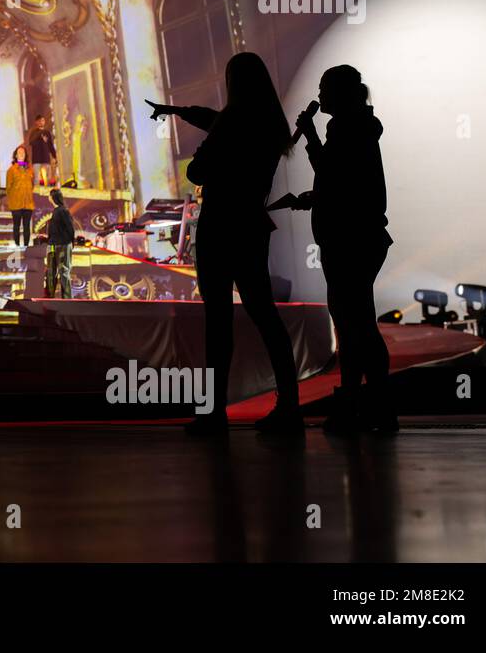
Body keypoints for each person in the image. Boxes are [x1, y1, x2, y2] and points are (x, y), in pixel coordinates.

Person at [146, 51, 302, 435]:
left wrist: (204, 145)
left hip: (219, 226)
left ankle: (214, 412)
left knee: (218, 321)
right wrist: (179, 110)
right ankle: (290, 404)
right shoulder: (269, 124)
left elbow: (197, 170)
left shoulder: (232, 122)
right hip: (251, 224)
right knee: (265, 314)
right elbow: (213, 119)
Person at [292, 65, 395, 433]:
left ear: (340, 92)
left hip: (349, 239)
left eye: (324, 88)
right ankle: (362, 404)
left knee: (356, 324)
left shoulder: (345, 127)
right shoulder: (360, 126)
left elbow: (330, 169)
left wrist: (308, 134)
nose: (319, 95)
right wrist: (316, 197)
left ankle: (370, 405)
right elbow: (345, 183)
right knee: (356, 322)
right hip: (360, 236)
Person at [44, 188, 77, 298]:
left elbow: (70, 228)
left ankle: (66, 298)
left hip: (62, 245)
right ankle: (51, 296)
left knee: (63, 271)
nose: (48, 197)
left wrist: (71, 242)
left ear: (53, 197)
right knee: (52, 272)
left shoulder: (62, 211)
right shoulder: (57, 211)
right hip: (54, 245)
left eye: (49, 195)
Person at [5, 145, 34, 248]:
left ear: (25, 155)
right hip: (16, 204)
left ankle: (26, 248)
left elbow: (32, 185)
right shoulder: (11, 170)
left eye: (23, 152)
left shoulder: (30, 170)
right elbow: (8, 188)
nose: (21, 154)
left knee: (27, 226)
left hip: (28, 203)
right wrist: (12, 199)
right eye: (19, 152)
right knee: (16, 226)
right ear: (16, 155)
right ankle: (17, 247)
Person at [25, 114, 58, 186]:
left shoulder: (47, 132)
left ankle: (49, 194)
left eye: (42, 120)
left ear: (44, 121)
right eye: (39, 121)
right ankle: (37, 195)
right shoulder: (34, 132)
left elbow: (50, 146)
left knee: (48, 178)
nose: (41, 122)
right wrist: (39, 133)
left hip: (46, 158)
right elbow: (31, 142)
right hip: (36, 159)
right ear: (36, 122)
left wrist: (55, 156)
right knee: (37, 178)